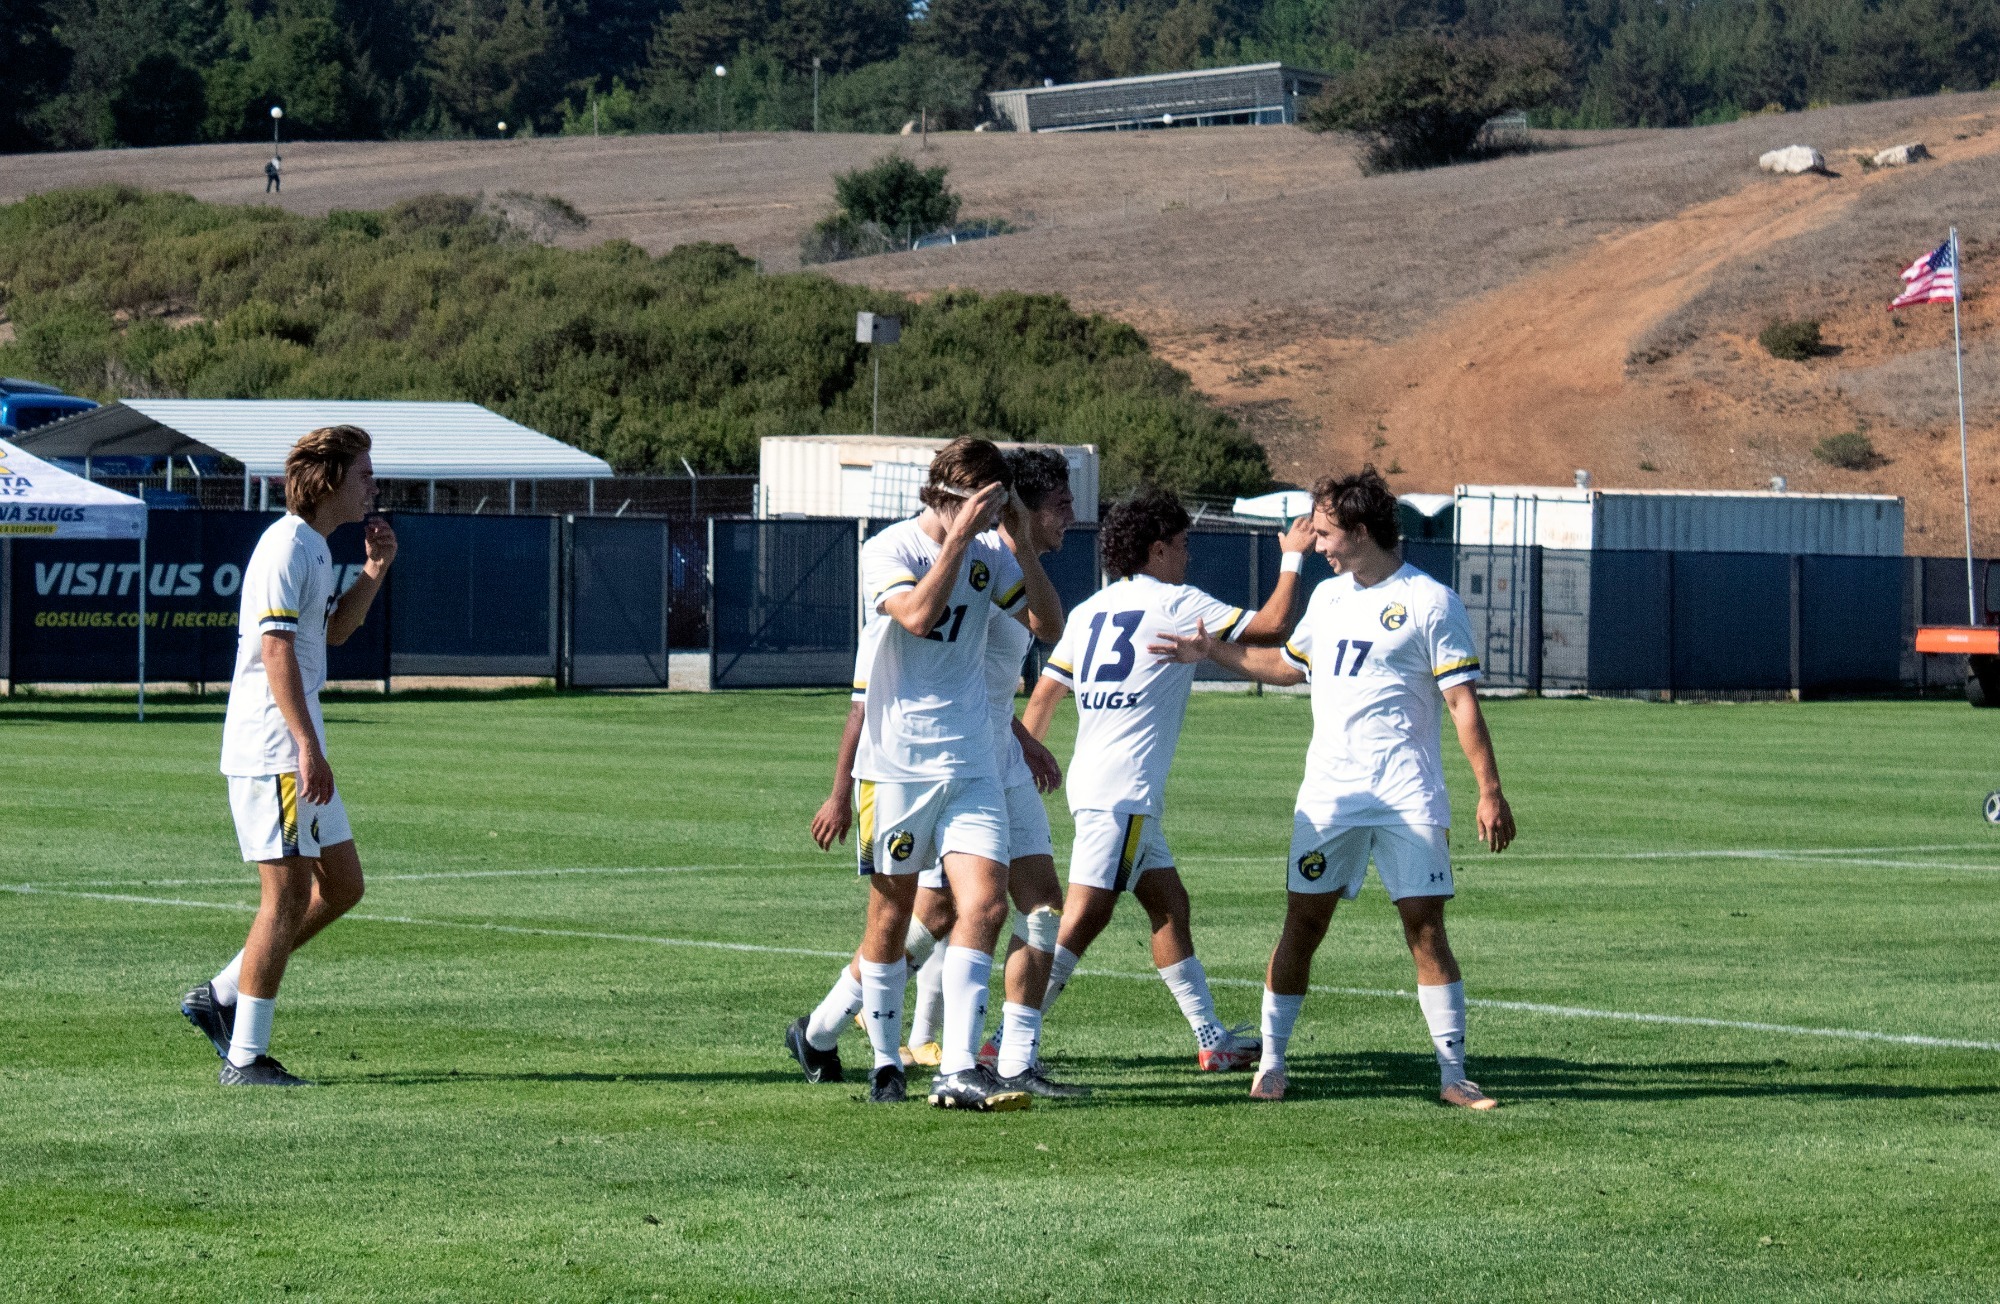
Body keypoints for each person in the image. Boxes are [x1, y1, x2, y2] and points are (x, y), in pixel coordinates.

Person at [1151, 468, 1516, 1108]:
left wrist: (1490, 790)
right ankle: (1272, 1063)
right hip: (1329, 797)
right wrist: (1214, 653)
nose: (1317, 545)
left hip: (1407, 797)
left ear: (1362, 530)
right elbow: (1290, 668)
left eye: (1325, 533)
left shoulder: (1431, 602)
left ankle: (1453, 1075)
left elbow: (1462, 704)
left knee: (1426, 932)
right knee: (1302, 925)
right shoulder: (1328, 597)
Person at [786, 437, 1061, 1110]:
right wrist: (957, 542)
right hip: (899, 764)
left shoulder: (996, 554)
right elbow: (915, 614)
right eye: (979, 504)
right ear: (942, 497)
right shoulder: (890, 550)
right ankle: (863, 1050)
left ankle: (959, 1068)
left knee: (988, 906)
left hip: (972, 760)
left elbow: (1048, 624)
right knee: (893, 919)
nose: (988, 516)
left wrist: (1019, 544)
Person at [1021, 488, 1310, 1072]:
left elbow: (1045, 695)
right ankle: (1007, 1041)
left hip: (1100, 785)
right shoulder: (1177, 602)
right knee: (1081, 920)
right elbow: (1275, 625)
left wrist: (1025, 760)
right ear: (1156, 551)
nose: (1186, 557)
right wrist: (1293, 556)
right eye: (1180, 546)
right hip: (1123, 791)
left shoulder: (1089, 610)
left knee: (1170, 905)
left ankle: (1211, 1037)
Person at [179, 426, 397, 1086]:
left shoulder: (314, 549)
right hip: (274, 746)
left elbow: (330, 630)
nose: (372, 485)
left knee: (345, 886)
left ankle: (221, 995)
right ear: (329, 479)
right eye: (363, 473)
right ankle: (245, 1057)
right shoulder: (286, 545)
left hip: (294, 744)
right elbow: (275, 652)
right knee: (288, 893)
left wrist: (374, 572)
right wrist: (304, 745)